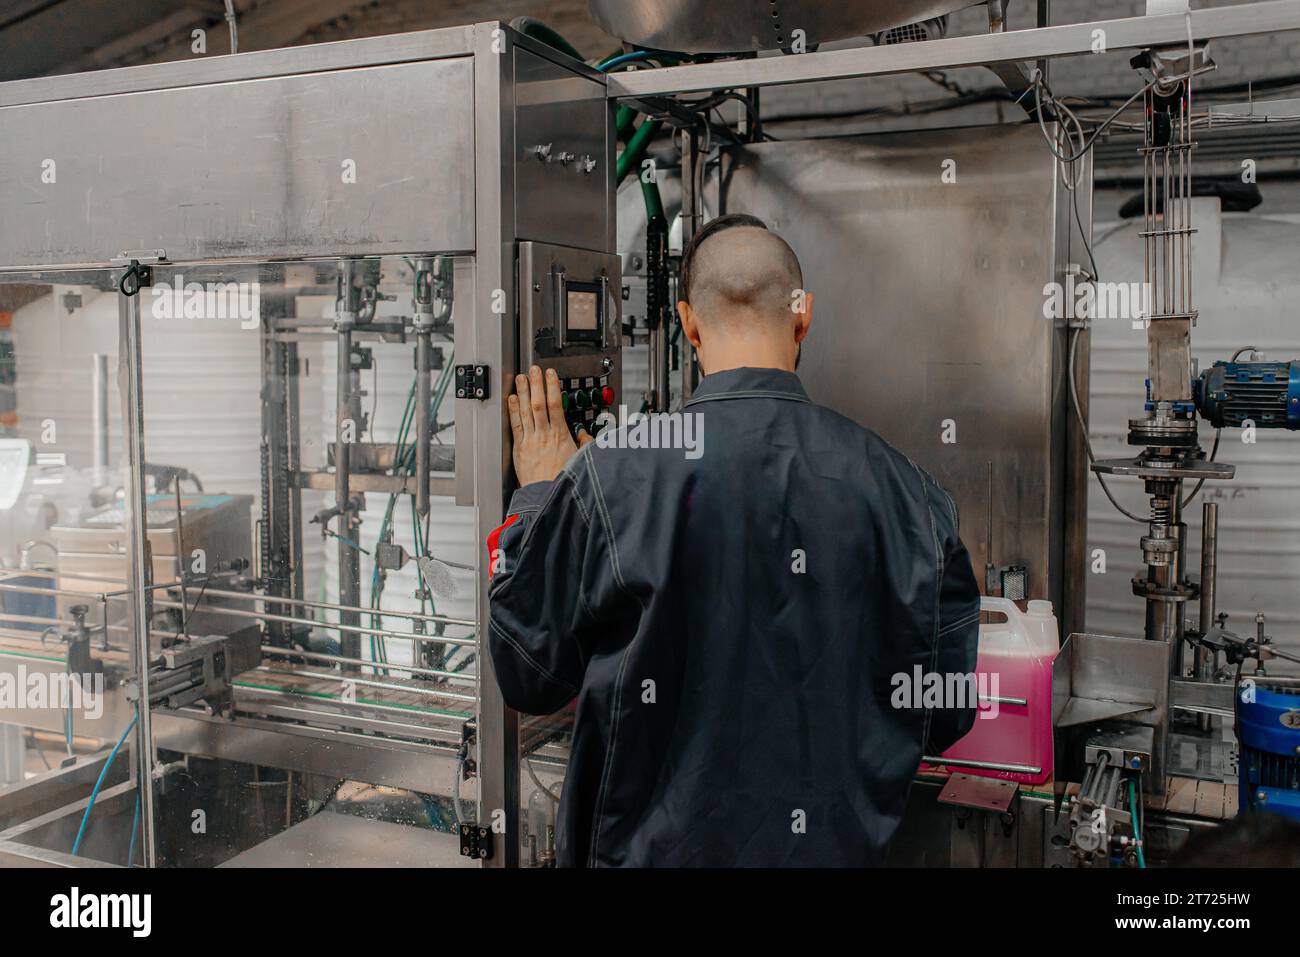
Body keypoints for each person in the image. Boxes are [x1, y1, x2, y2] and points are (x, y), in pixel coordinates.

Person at [487, 213, 980, 866]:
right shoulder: (913, 495)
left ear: (688, 324)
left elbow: (527, 671)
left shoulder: (611, 476)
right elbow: (943, 715)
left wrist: (538, 498)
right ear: (803, 317)